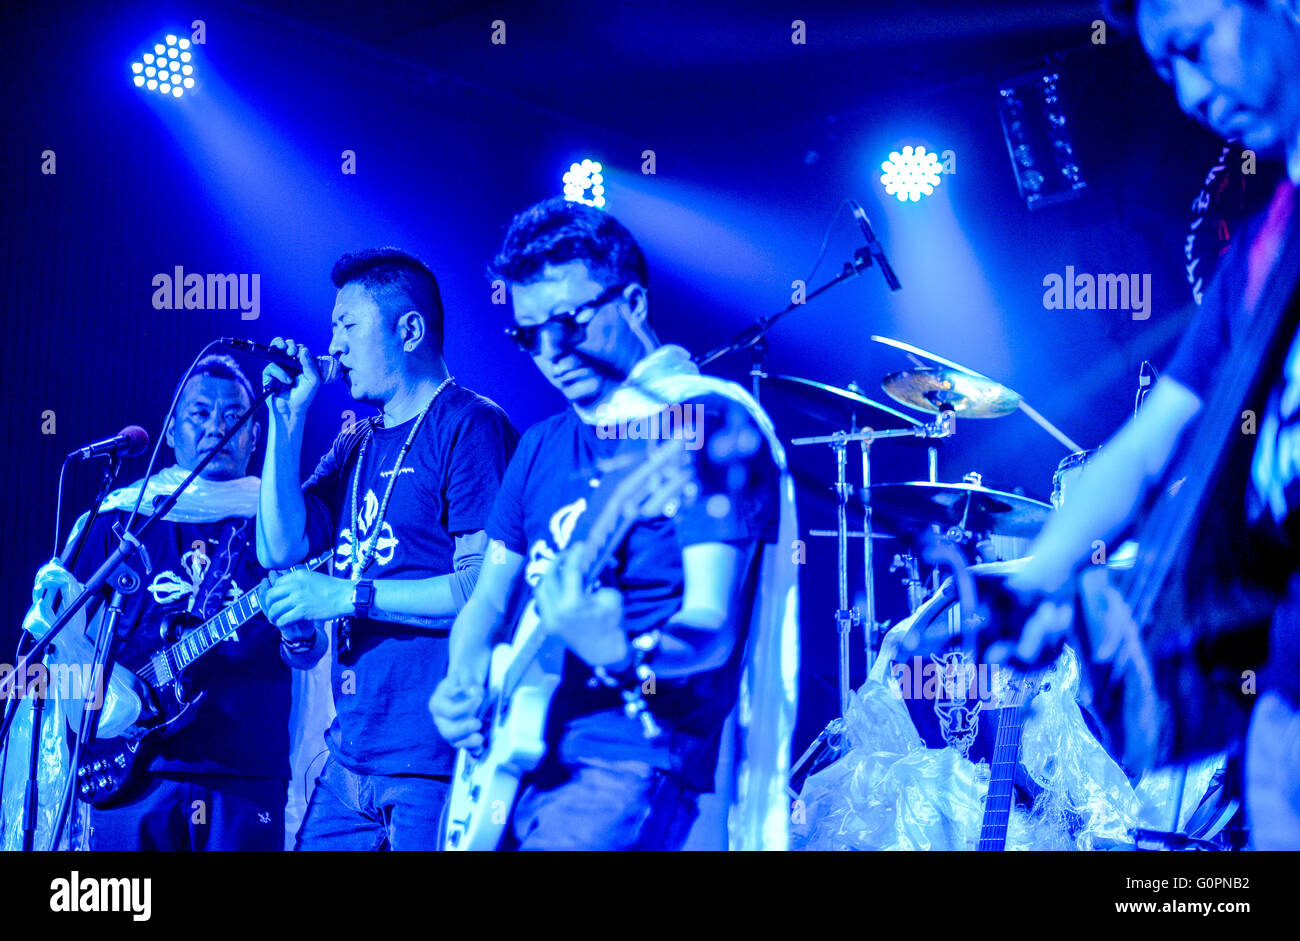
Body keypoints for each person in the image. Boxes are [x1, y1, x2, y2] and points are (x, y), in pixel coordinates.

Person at [1008, 0, 1300, 849]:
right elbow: (1144, 448)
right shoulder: (1263, 247)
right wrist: (1036, 578)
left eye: (1195, 45)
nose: (1191, 91)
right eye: (1165, 69)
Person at [429, 198, 798, 851]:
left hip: (628, 758)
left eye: (569, 322)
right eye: (528, 332)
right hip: (513, 756)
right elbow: (485, 601)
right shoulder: (542, 444)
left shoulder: (705, 423)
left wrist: (625, 654)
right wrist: (461, 681)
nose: (550, 351)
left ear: (633, 303)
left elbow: (711, 627)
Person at [257, 247, 517, 850]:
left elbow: (483, 590)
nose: (335, 346)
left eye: (347, 326)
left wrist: (346, 595)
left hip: (436, 762)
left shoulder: (470, 425)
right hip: (351, 759)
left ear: (409, 330)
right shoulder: (357, 441)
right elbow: (280, 546)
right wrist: (286, 420)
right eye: (332, 330)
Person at [3, 354, 315, 851]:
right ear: (170, 431)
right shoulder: (120, 520)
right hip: (132, 769)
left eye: (235, 416)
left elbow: (312, 646)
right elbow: (62, 642)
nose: (218, 426)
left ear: (257, 437)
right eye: (200, 413)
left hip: (245, 771)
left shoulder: (284, 525)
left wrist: (303, 639)